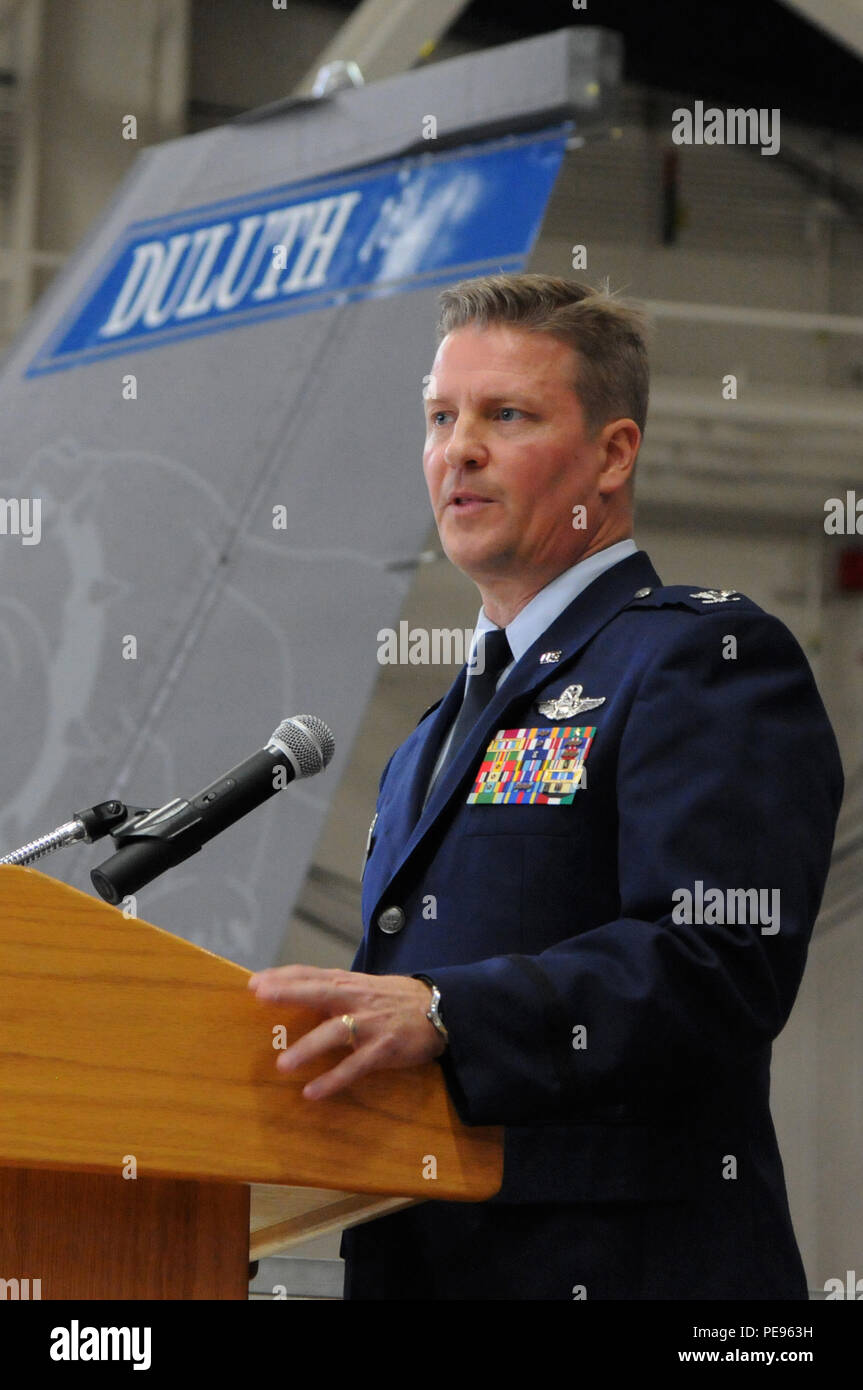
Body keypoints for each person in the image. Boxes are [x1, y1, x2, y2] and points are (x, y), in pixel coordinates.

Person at [249, 273, 844, 1300]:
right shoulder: (430, 740)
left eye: (504, 415)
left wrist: (444, 1009)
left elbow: (716, 959)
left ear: (612, 454)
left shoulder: (705, 657)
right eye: (440, 417)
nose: (457, 449)